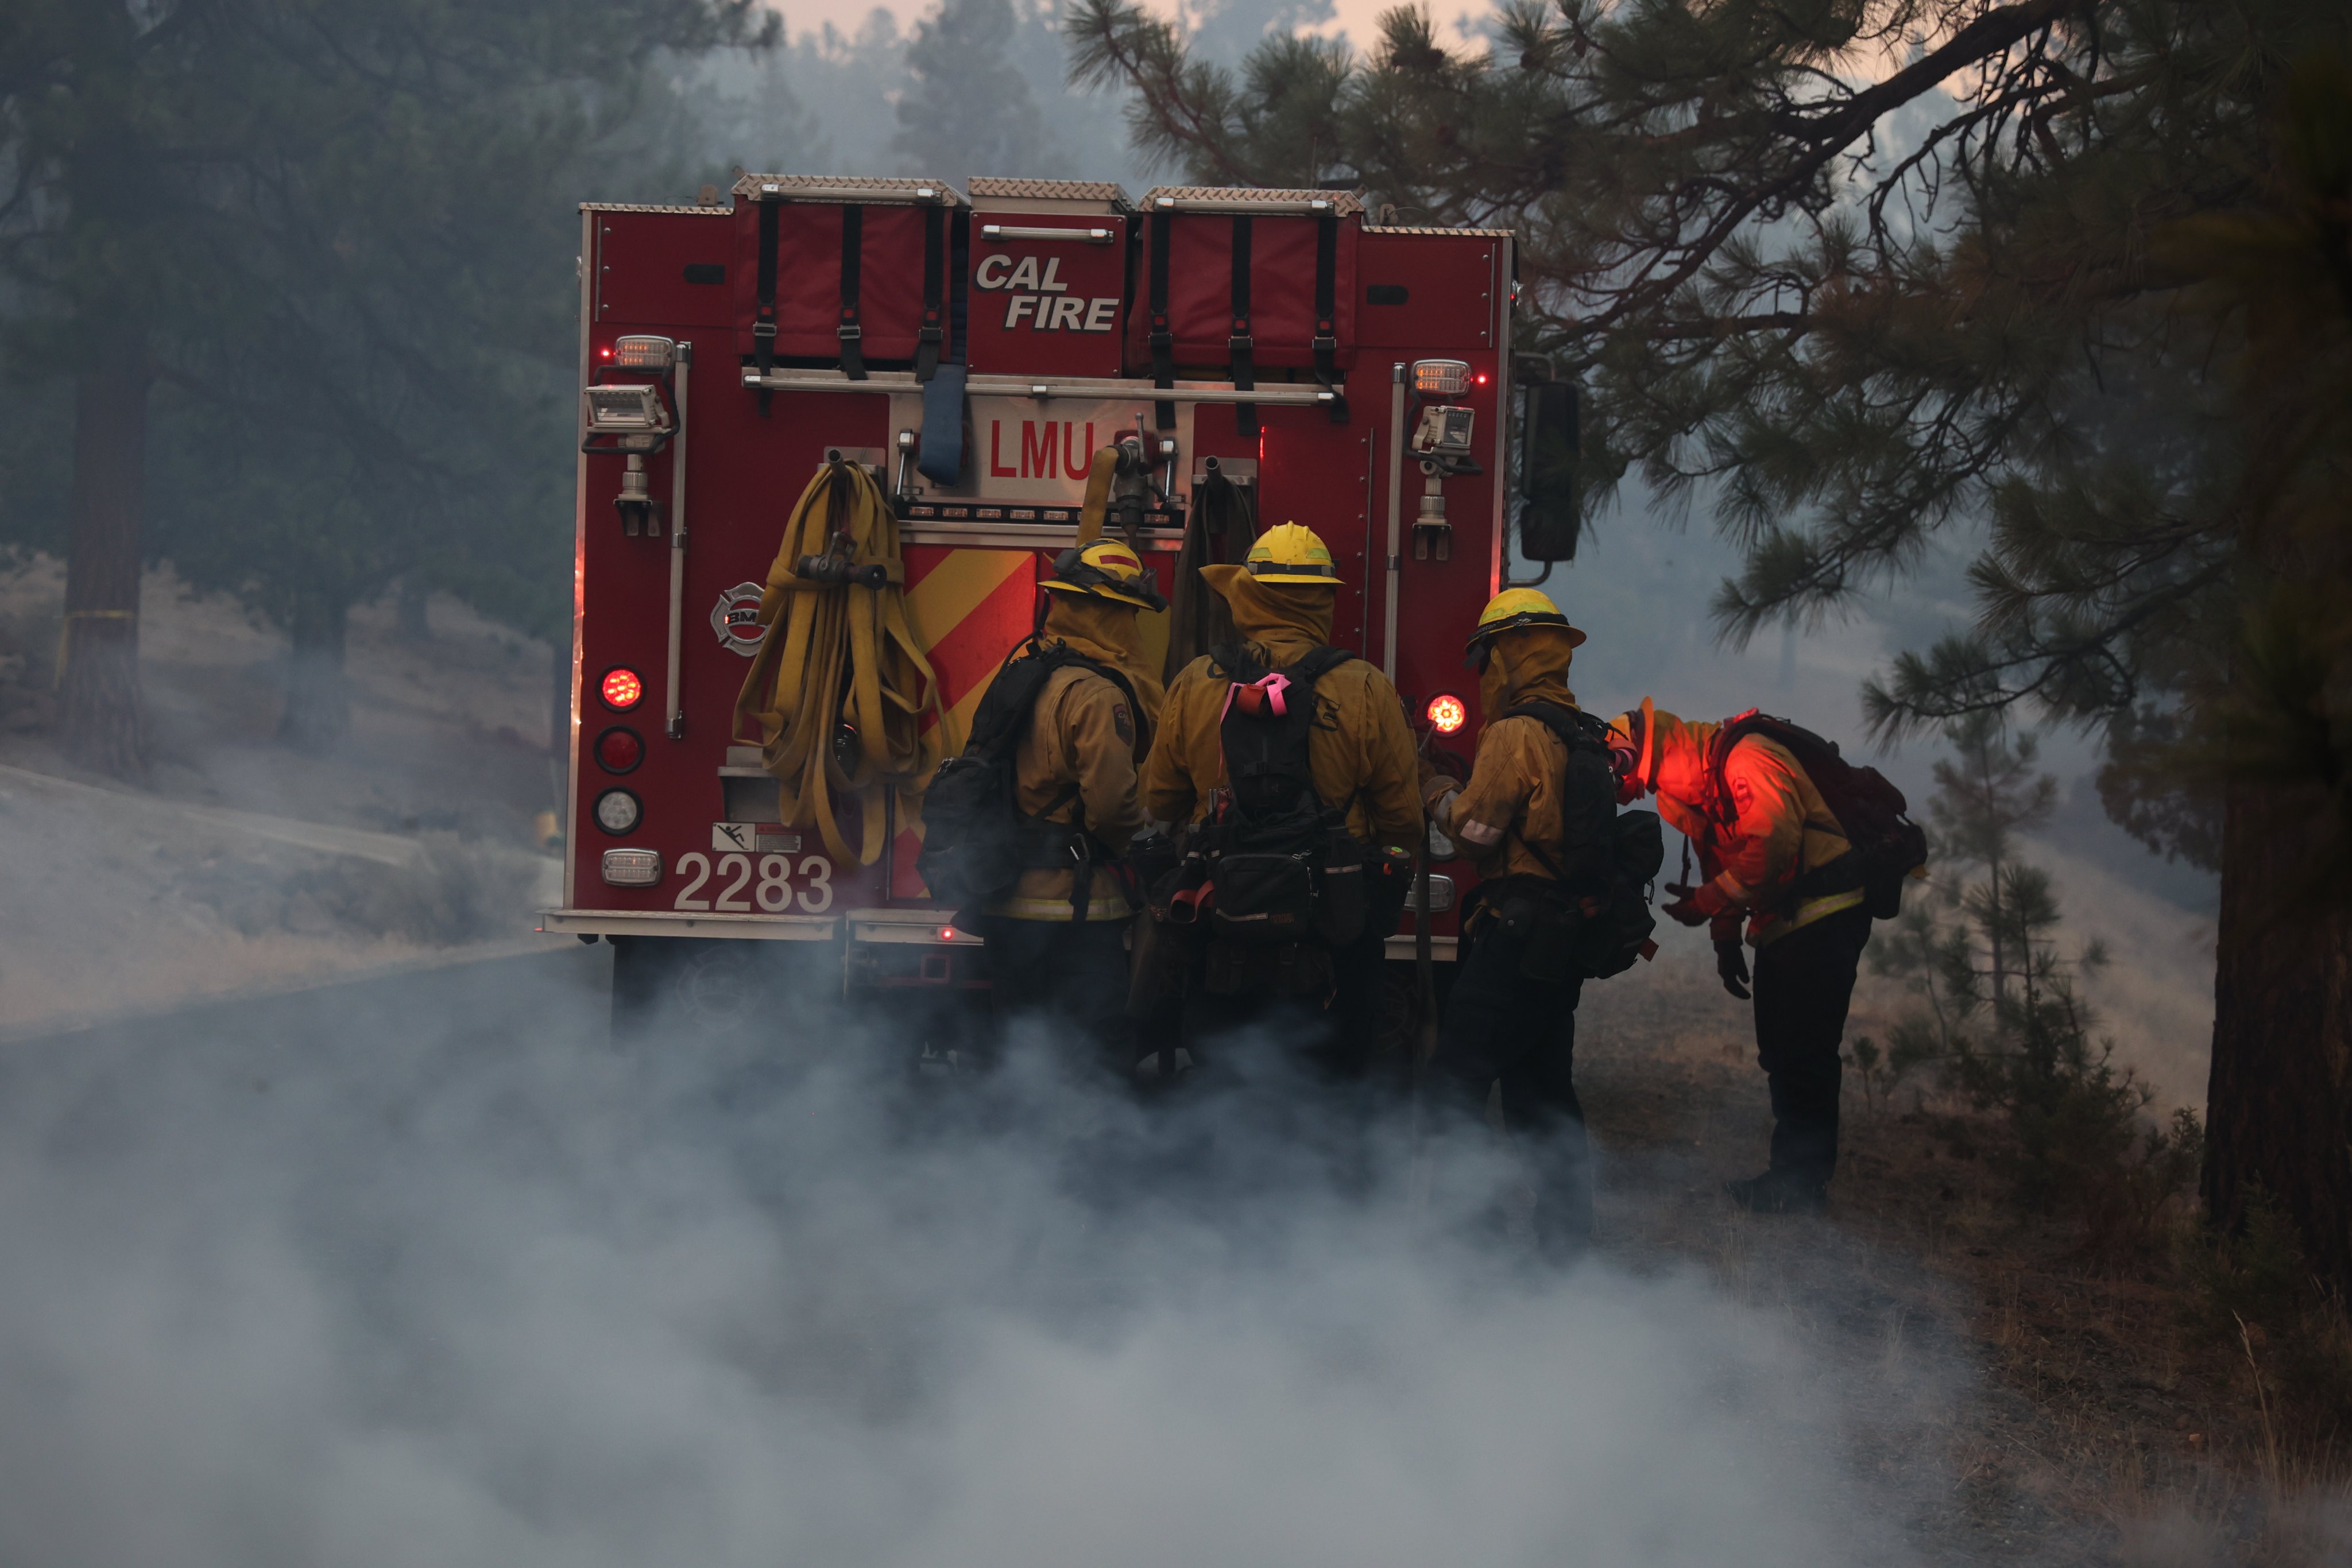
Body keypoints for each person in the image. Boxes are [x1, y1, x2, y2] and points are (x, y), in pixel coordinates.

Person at [1140, 523, 1421, 1082]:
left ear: (1245, 593)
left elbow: (1161, 798)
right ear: (1325, 598)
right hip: (1335, 942)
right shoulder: (1366, 687)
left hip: (1220, 932)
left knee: (1223, 1096)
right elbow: (1403, 823)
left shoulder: (1197, 681)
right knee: (1333, 1100)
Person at [1608, 700, 1870, 1213]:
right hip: (1790, 917)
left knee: (1804, 1052)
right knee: (1783, 1049)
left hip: (1824, 911)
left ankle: (1799, 1186)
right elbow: (1724, 849)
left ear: (1640, 753)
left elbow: (1773, 842)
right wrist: (1725, 935)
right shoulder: (1694, 780)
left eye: (1620, 766)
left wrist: (1709, 904)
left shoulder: (1746, 760)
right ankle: (1793, 1178)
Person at [1418, 589, 1617, 1256]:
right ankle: (1563, 1240)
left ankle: (1468, 1234)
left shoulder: (1515, 732)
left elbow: (1476, 832)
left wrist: (1435, 793)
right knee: (1541, 1092)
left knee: (1453, 1084)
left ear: (1505, 653)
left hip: (1515, 932)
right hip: (1560, 941)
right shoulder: (1579, 730)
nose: (1482, 675)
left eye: (1484, 660)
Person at [975, 539, 1166, 1078]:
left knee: (1019, 1050)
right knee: (1092, 1056)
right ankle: (1087, 1158)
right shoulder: (1098, 694)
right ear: (1112, 613)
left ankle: (1009, 1157)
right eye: (1128, 612)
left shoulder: (1021, 670)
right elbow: (1111, 807)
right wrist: (1148, 845)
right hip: (1075, 911)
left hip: (1004, 896)